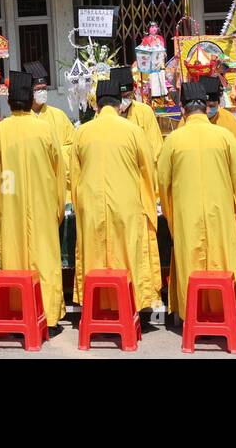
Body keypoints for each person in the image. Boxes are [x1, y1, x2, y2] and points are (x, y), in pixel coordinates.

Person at [158, 81, 236, 320]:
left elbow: (163, 184)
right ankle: (225, 311)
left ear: (182, 109)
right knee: (222, 262)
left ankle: (193, 315)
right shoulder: (225, 137)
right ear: (205, 107)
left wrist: (171, 217)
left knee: (191, 266)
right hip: (221, 215)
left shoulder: (173, 140)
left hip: (187, 217)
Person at [0, 71, 67, 327]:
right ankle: (49, 316)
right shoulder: (44, 129)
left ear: (10, 103)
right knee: (45, 258)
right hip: (43, 203)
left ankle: (17, 313)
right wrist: (57, 204)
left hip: (11, 203)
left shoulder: (0, 131)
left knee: (14, 257)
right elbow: (58, 168)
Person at [72, 78, 157, 311]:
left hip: (91, 207)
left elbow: (74, 178)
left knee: (94, 258)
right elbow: (148, 173)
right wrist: (148, 204)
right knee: (127, 256)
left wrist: (80, 207)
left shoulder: (82, 133)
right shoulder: (134, 131)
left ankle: (96, 307)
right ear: (120, 105)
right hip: (126, 206)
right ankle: (129, 305)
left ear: (97, 106)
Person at [113, 65, 163, 310]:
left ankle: (144, 302)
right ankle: (119, 303)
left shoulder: (143, 113)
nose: (124, 102)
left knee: (141, 250)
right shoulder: (106, 116)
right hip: (115, 194)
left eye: (128, 96)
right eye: (120, 97)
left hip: (139, 193)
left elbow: (154, 154)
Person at [27, 61, 76, 203]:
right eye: (38, 89)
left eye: (44, 88)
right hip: (34, 185)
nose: (42, 92)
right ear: (30, 91)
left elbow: (73, 146)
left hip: (58, 183)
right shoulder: (23, 118)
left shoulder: (58, 115)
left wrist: (55, 155)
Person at [202, 75, 236, 148]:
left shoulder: (230, 121)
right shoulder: (188, 120)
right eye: (204, 106)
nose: (207, 110)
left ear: (218, 103)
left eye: (211, 106)